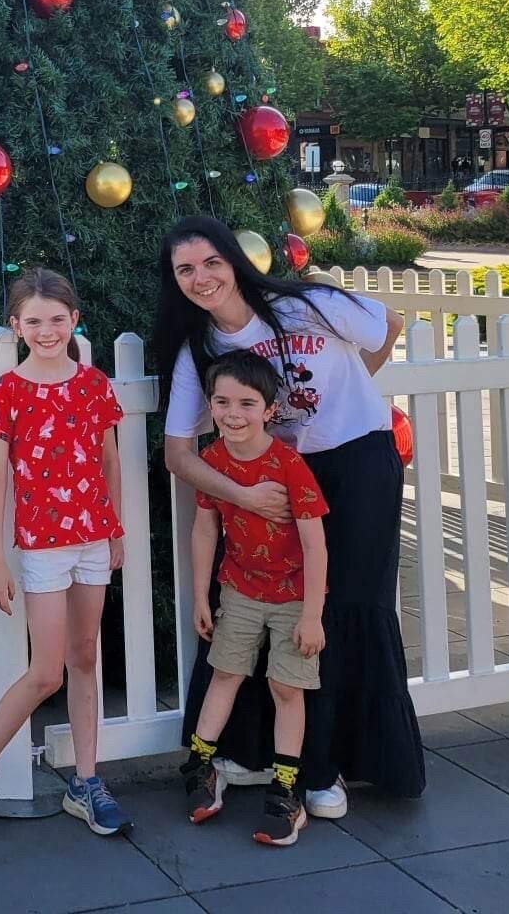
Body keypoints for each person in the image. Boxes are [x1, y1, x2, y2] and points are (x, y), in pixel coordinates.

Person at [155, 215, 424, 816]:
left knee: (350, 603)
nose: (201, 279)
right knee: (275, 610)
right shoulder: (201, 350)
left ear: (234, 259)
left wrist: (348, 392)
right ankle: (268, 757)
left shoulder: (311, 302)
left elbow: (391, 325)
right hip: (274, 481)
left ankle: (333, 768)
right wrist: (244, 495)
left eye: (210, 263)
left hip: (357, 460)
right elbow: (178, 453)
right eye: (185, 270)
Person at [0, 268, 130, 842]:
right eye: (34, 321)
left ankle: (87, 780)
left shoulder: (94, 384)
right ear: (16, 326)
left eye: (57, 319)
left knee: (84, 658)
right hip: (43, 548)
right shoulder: (8, 393)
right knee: (46, 669)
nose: (47, 330)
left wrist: (115, 530)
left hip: (93, 541)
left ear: (74, 320)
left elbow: (110, 461)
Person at [181, 351, 328, 846]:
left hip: (291, 595)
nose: (233, 413)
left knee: (287, 689)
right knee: (225, 673)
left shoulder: (290, 466)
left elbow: (315, 543)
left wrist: (312, 615)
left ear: (269, 409)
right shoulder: (212, 461)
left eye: (247, 403)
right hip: (239, 588)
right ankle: (202, 767)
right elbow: (205, 528)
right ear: (210, 405)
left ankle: (287, 793)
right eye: (222, 401)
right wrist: (201, 595)